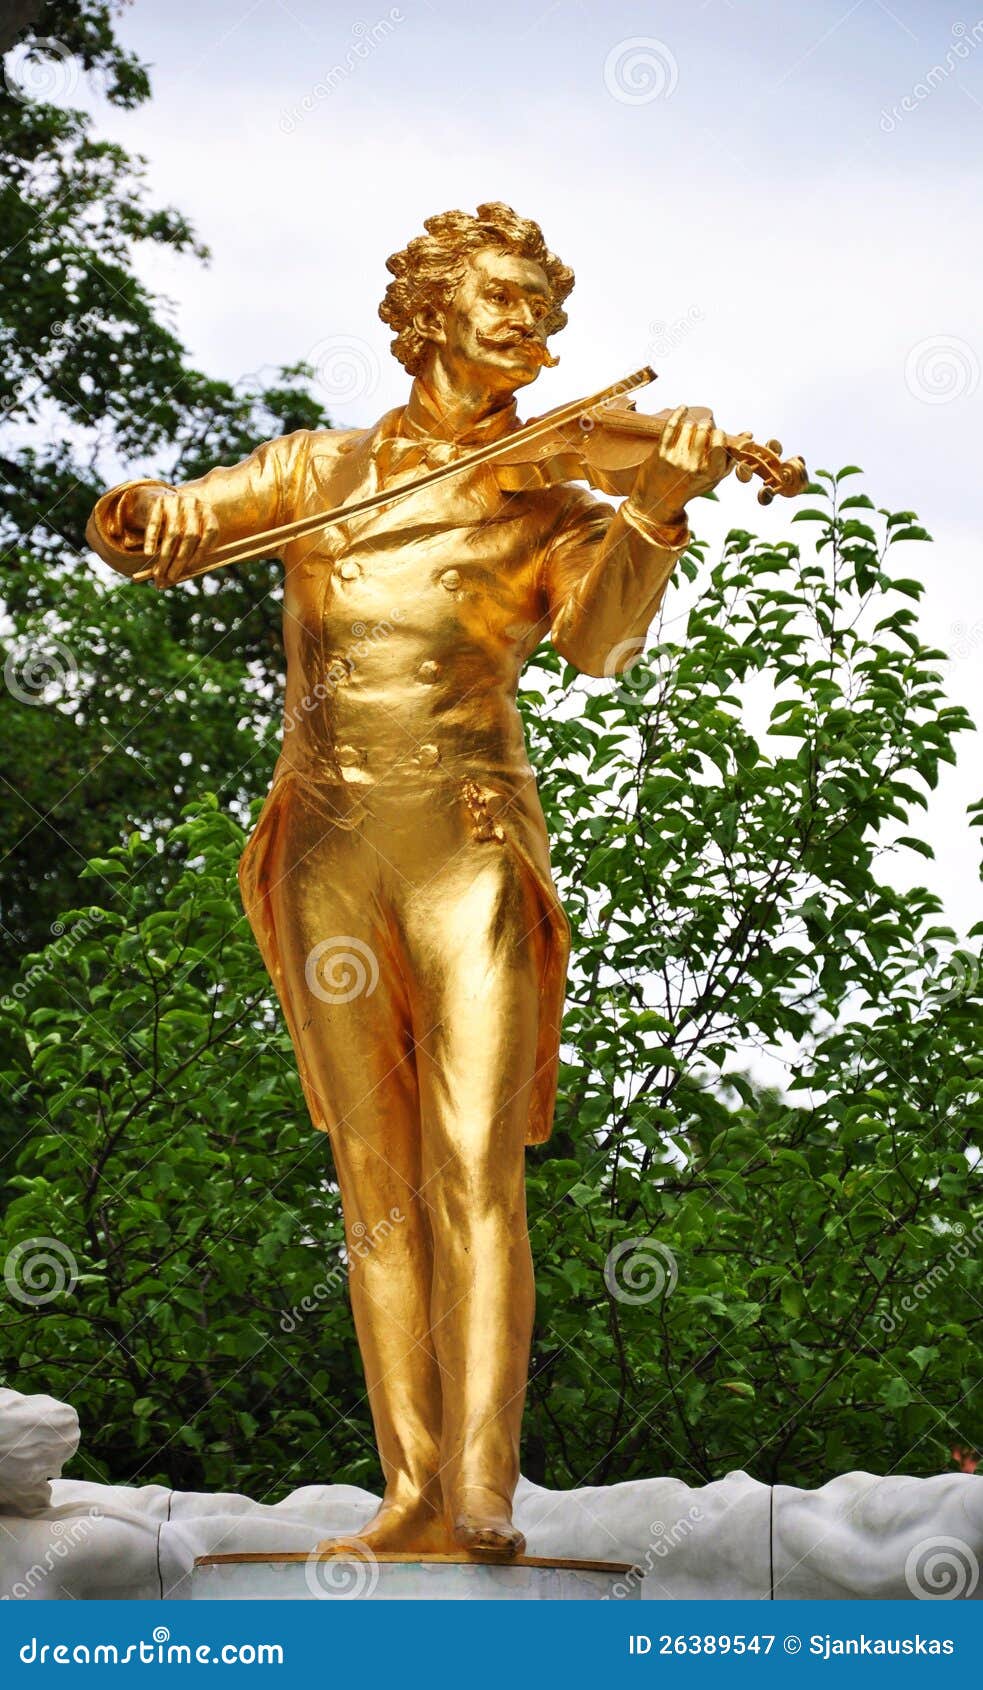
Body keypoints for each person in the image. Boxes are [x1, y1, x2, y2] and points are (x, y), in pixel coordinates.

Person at [87, 203, 730, 1559]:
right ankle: (411, 1487)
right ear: (429, 310)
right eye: (498, 299)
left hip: (471, 846)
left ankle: (485, 1490)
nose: (529, 328)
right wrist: (137, 516)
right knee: (373, 1176)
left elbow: (603, 644)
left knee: (473, 1166)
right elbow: (181, 527)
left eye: (540, 312)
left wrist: (657, 503)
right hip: (327, 851)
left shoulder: (553, 494)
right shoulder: (320, 469)